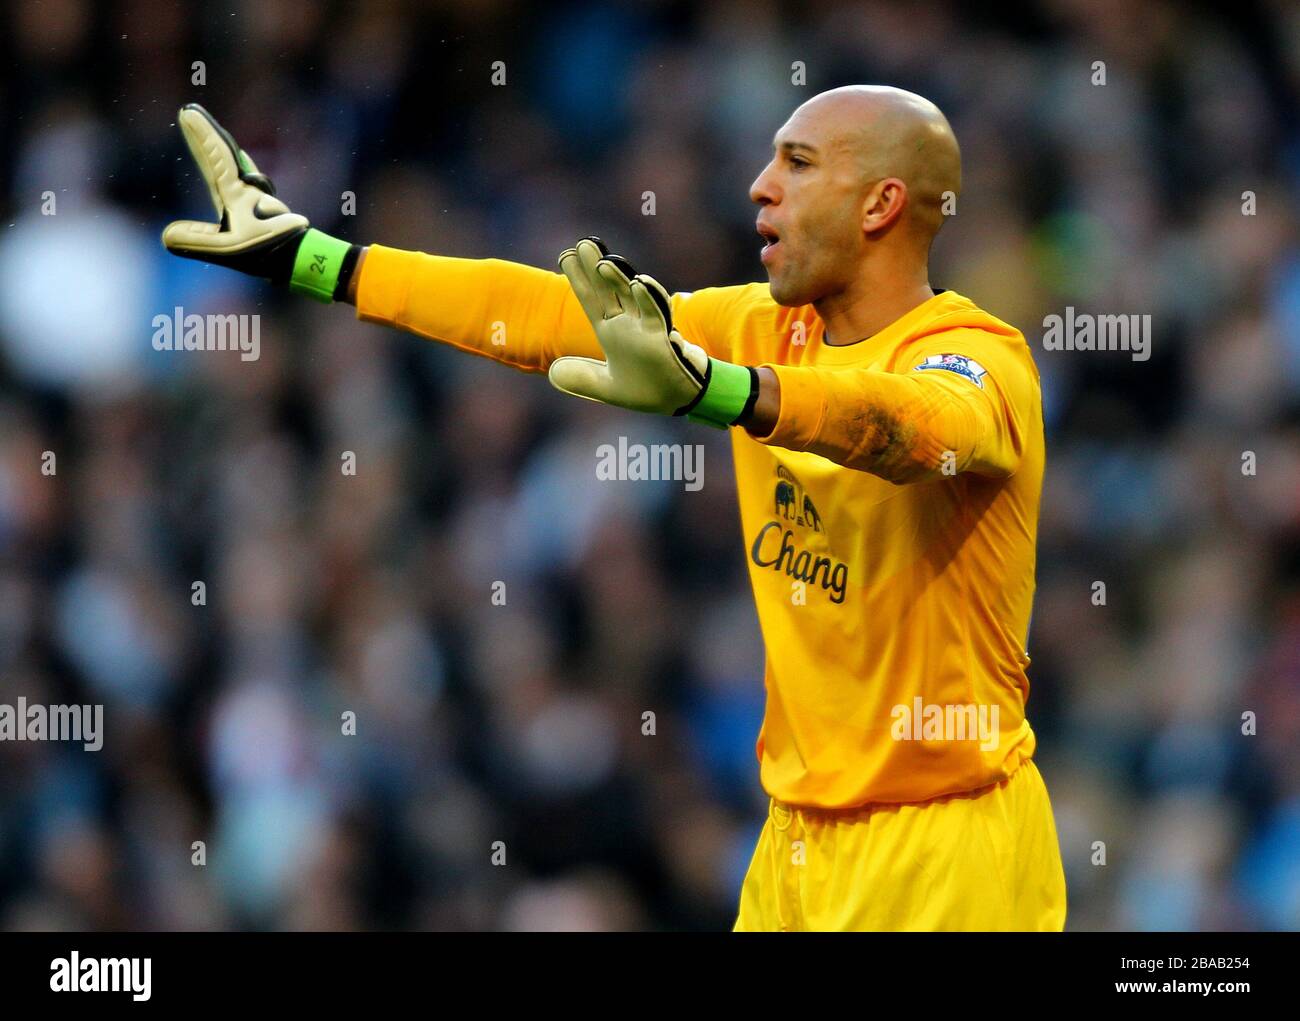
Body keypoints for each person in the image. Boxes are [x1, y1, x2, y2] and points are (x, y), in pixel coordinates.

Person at [162, 84, 1067, 931]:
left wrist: (721, 392)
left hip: (949, 843)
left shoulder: (980, 359)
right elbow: (546, 313)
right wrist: (319, 260)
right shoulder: (767, 328)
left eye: (796, 163)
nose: (760, 186)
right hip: (800, 838)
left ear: (880, 204)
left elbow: (911, 430)